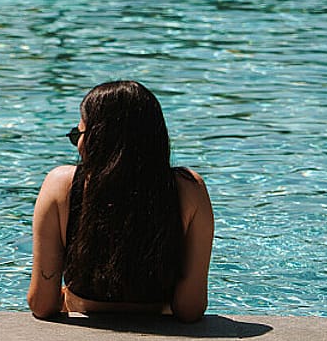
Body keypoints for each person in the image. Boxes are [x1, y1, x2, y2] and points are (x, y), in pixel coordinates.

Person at [27, 80, 214, 323]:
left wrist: (69, 296)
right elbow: (190, 309)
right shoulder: (189, 189)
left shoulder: (60, 185)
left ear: (98, 138)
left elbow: (42, 305)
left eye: (78, 134)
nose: (78, 144)